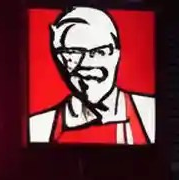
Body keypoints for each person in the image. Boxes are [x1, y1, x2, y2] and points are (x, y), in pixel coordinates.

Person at [29, 6, 155, 145]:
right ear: (60, 59)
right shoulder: (38, 128)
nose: (87, 64)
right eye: (74, 53)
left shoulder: (151, 112)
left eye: (100, 52)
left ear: (116, 55)